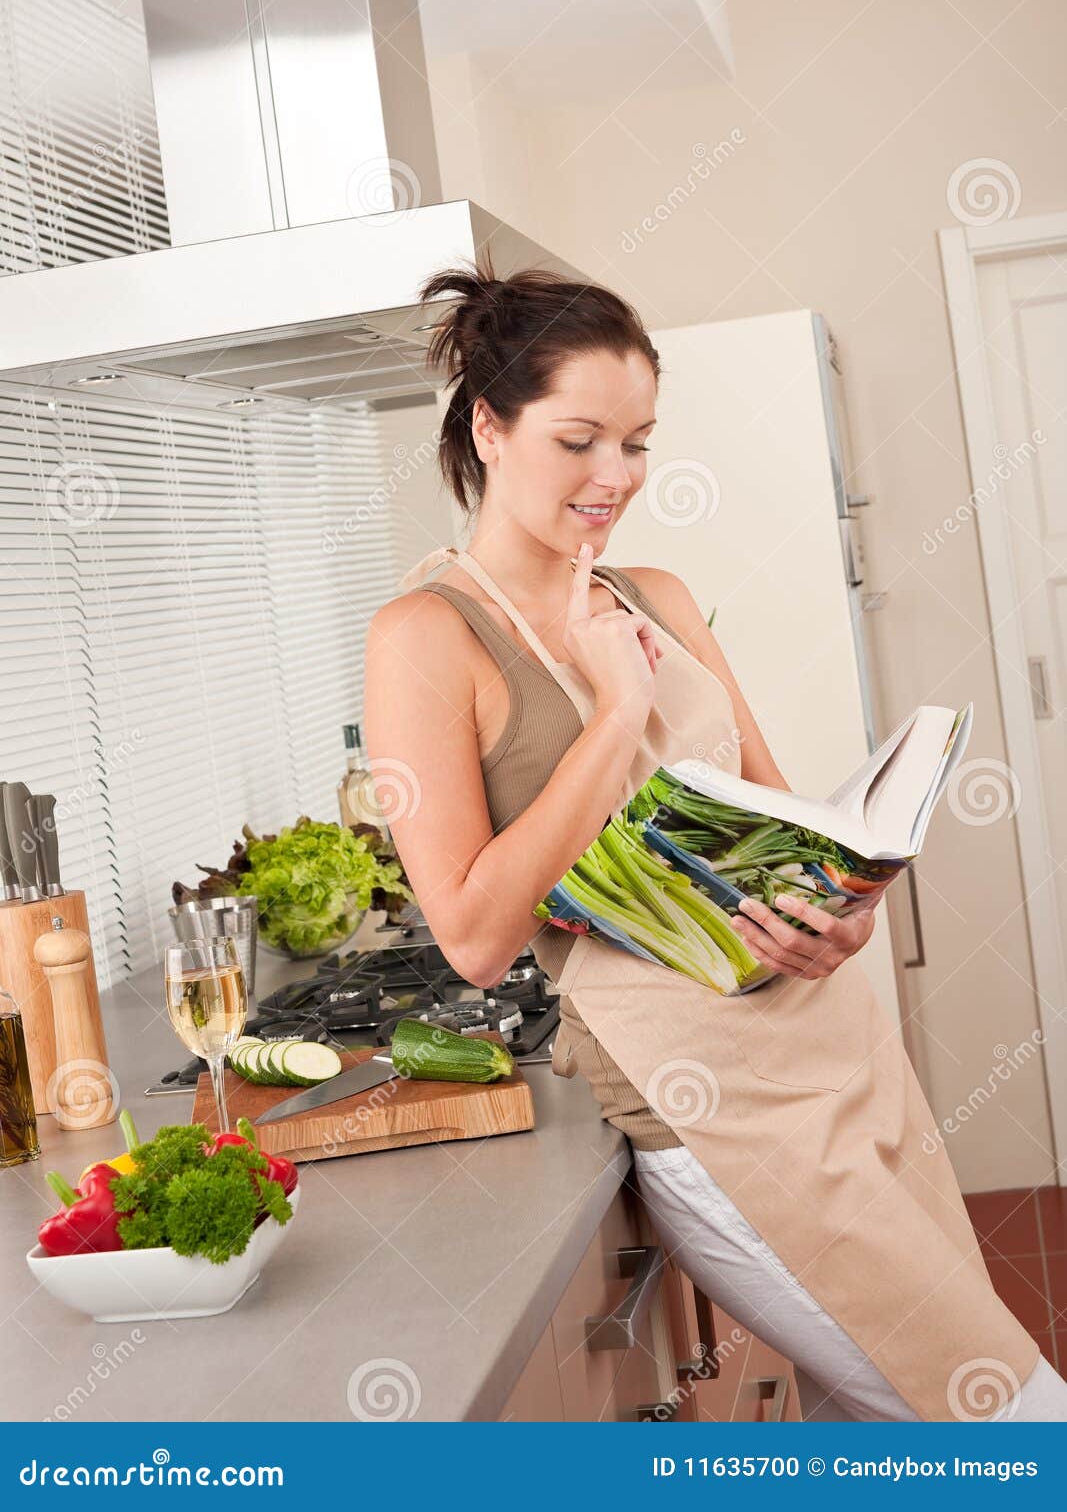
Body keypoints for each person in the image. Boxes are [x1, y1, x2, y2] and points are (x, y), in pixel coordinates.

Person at [363, 255, 1067, 1423]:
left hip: (846, 1063)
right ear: (488, 427)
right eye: (578, 439)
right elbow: (476, 937)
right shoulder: (424, 637)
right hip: (721, 1118)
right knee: (1010, 1421)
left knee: (890, 1438)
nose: (615, 476)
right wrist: (615, 712)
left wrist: (842, 907)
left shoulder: (658, 594)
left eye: (636, 442)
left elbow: (788, 810)